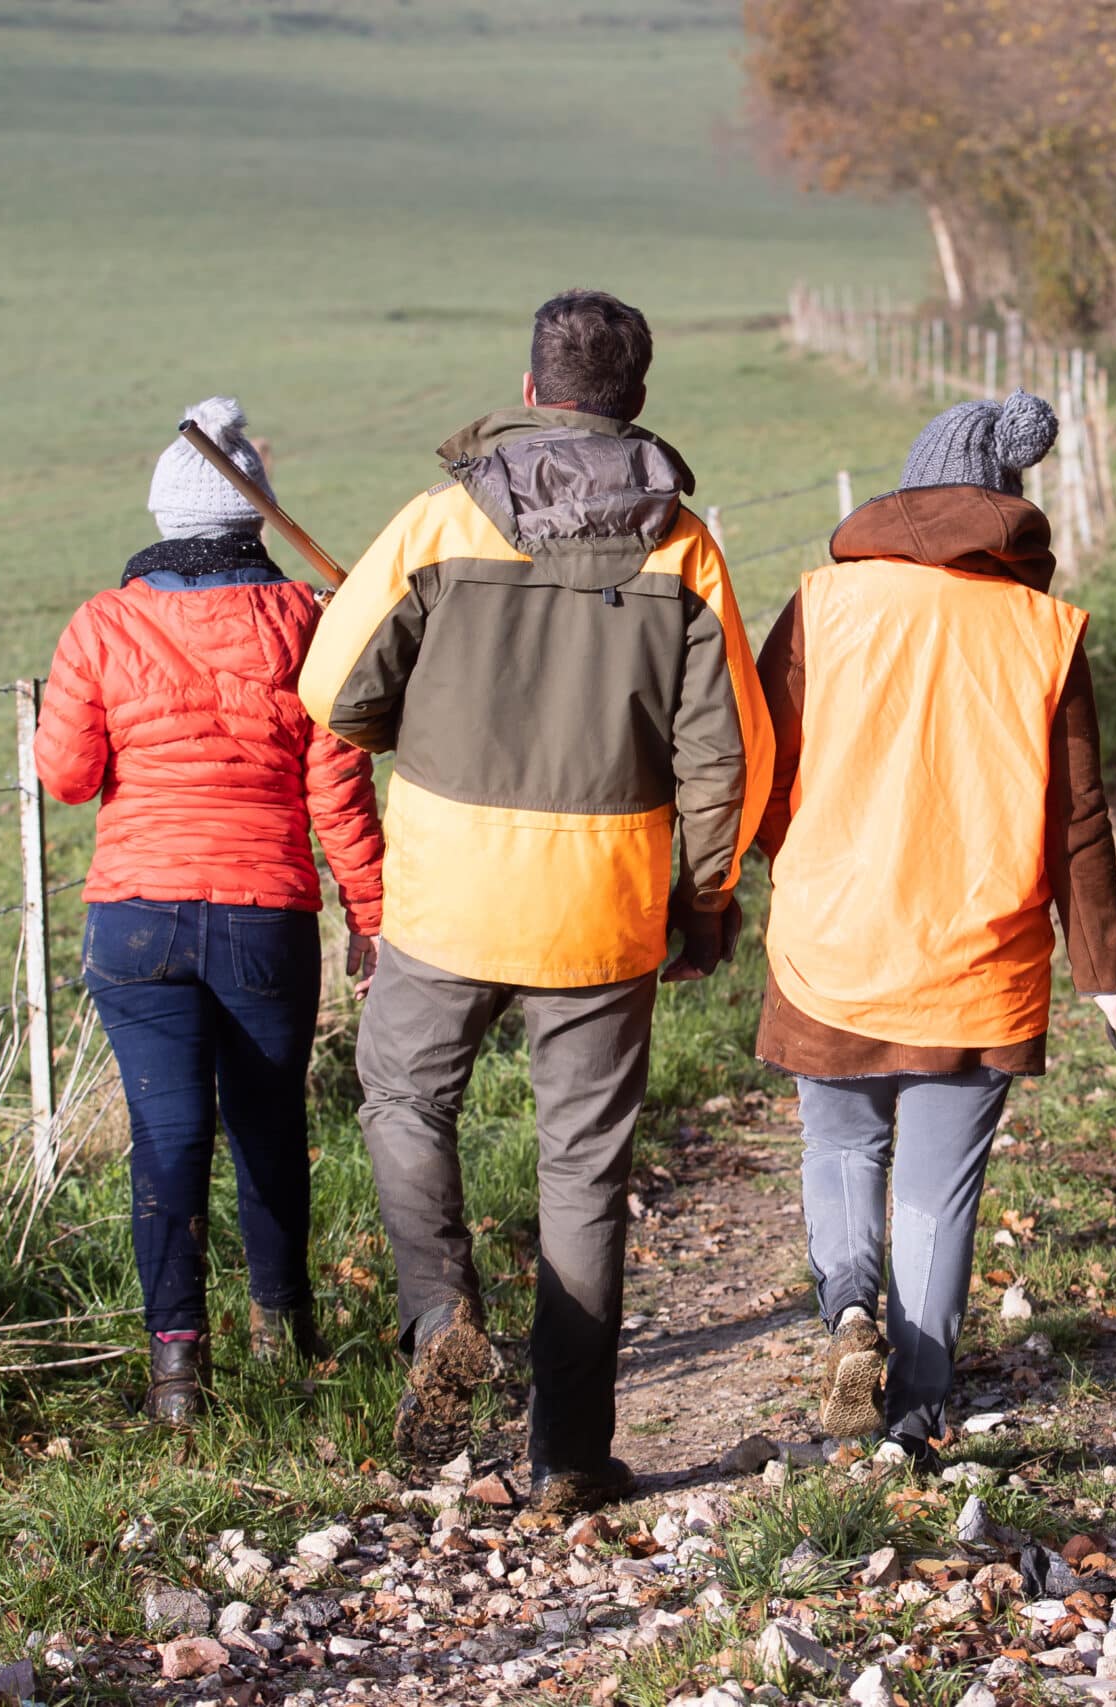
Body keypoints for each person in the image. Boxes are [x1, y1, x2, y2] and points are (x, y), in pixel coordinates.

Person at [298, 289, 772, 1512]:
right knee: (584, 1170)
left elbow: (334, 692)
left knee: (404, 1097)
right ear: (638, 401)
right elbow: (724, 756)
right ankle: (568, 1453)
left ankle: (440, 1311)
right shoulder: (684, 548)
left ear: (527, 390)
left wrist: (427, 715)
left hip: (447, 892)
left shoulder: (439, 521)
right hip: (603, 904)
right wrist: (705, 899)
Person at [756, 391, 1116, 1466]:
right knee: (936, 1194)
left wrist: (774, 864)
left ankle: (849, 1313)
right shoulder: (1044, 633)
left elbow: (761, 763)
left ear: (907, 495)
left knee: (841, 1143)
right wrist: (1106, 970)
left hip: (831, 940)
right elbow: (1077, 818)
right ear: (1007, 509)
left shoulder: (823, 605)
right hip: (974, 964)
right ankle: (914, 1416)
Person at [36, 397, 387, 1426]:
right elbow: (338, 792)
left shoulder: (102, 624)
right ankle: (285, 1330)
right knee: (268, 1125)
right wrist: (369, 914)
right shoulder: (309, 624)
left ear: (163, 515)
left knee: (167, 1132)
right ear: (254, 519)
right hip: (263, 919)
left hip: (136, 917)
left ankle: (177, 1370)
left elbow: (66, 775)